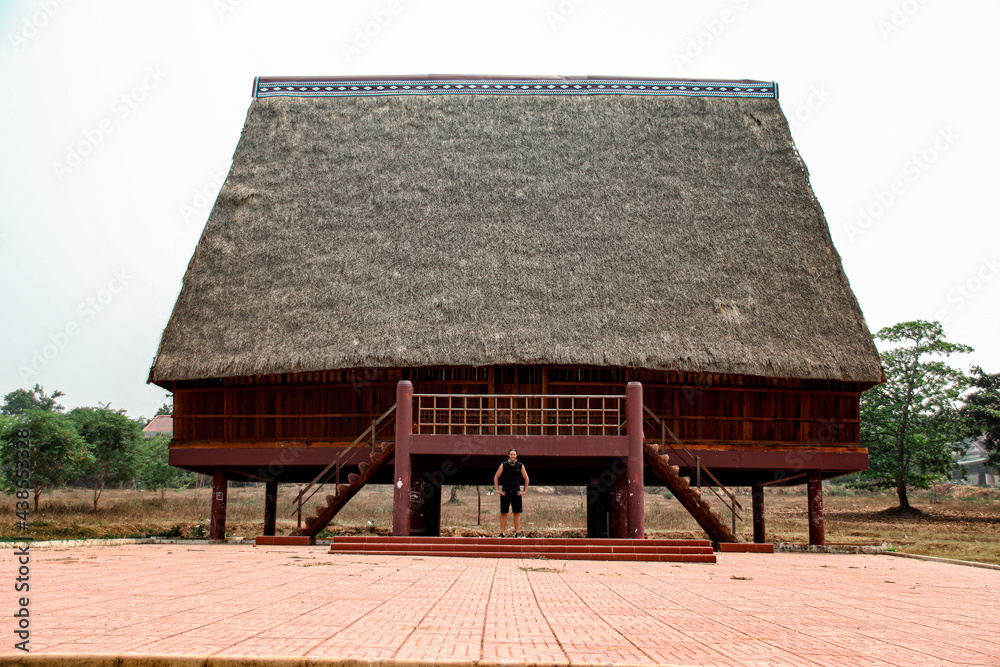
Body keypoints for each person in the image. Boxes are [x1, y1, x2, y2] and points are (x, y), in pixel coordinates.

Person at [493, 448, 529, 537]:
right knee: (504, 513)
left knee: (516, 513)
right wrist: (498, 490)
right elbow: (496, 477)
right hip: (505, 492)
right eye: (511, 454)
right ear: (508, 455)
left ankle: (517, 533)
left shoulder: (520, 465)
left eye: (514, 454)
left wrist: (524, 491)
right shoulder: (503, 465)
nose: (512, 456)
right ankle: (502, 533)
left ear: (516, 455)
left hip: (516, 492)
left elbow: (526, 478)